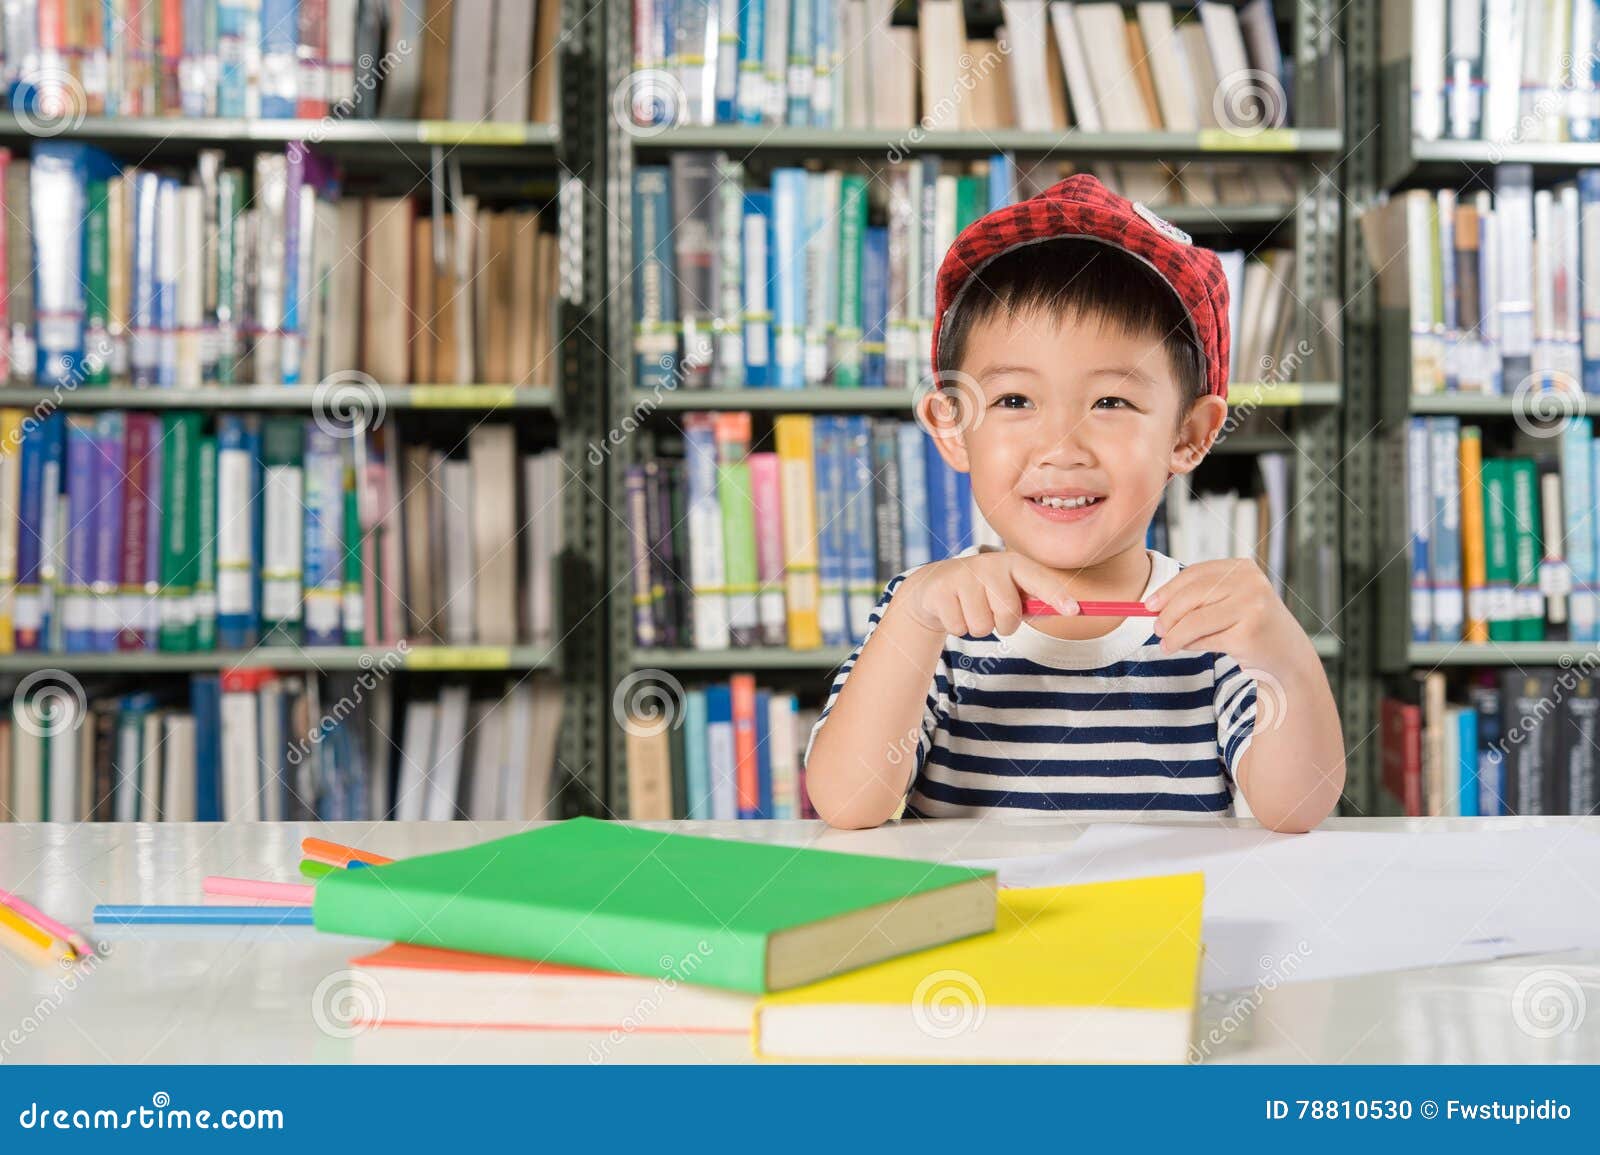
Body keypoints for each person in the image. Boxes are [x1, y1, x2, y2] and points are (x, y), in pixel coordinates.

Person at [803, 174, 1345, 833]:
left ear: (1190, 434)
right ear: (951, 426)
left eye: (1111, 402)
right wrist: (914, 618)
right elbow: (847, 802)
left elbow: (1297, 806)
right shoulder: (930, 615)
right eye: (1014, 401)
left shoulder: (1209, 627)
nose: (1061, 447)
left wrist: (1283, 656)